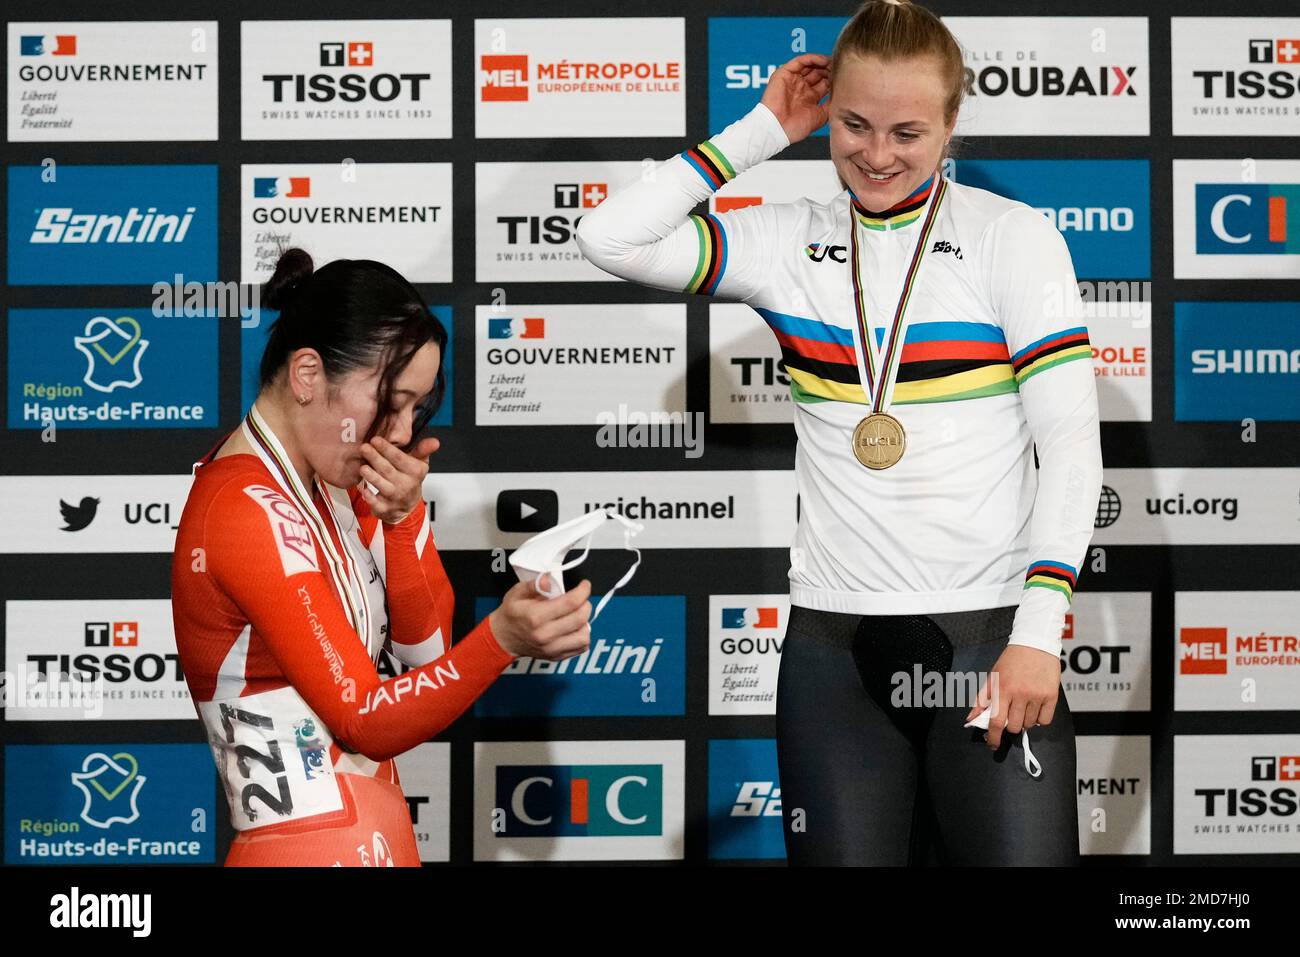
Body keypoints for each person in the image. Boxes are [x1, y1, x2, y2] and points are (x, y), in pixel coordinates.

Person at [576, 0, 1102, 865]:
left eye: (908, 131)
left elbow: (1072, 449)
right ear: (827, 111)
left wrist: (1038, 634)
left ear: (952, 123)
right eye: (854, 124)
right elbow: (609, 238)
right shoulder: (791, 242)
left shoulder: (1013, 239)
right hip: (832, 656)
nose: (878, 154)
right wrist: (759, 131)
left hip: (989, 642)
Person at [171, 247, 593, 866]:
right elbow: (365, 719)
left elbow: (429, 663)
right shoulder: (241, 507)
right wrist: (501, 638)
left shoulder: (334, 483)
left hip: (380, 839)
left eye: (415, 410)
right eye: (389, 402)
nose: (398, 433)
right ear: (308, 374)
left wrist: (403, 519)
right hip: (305, 851)